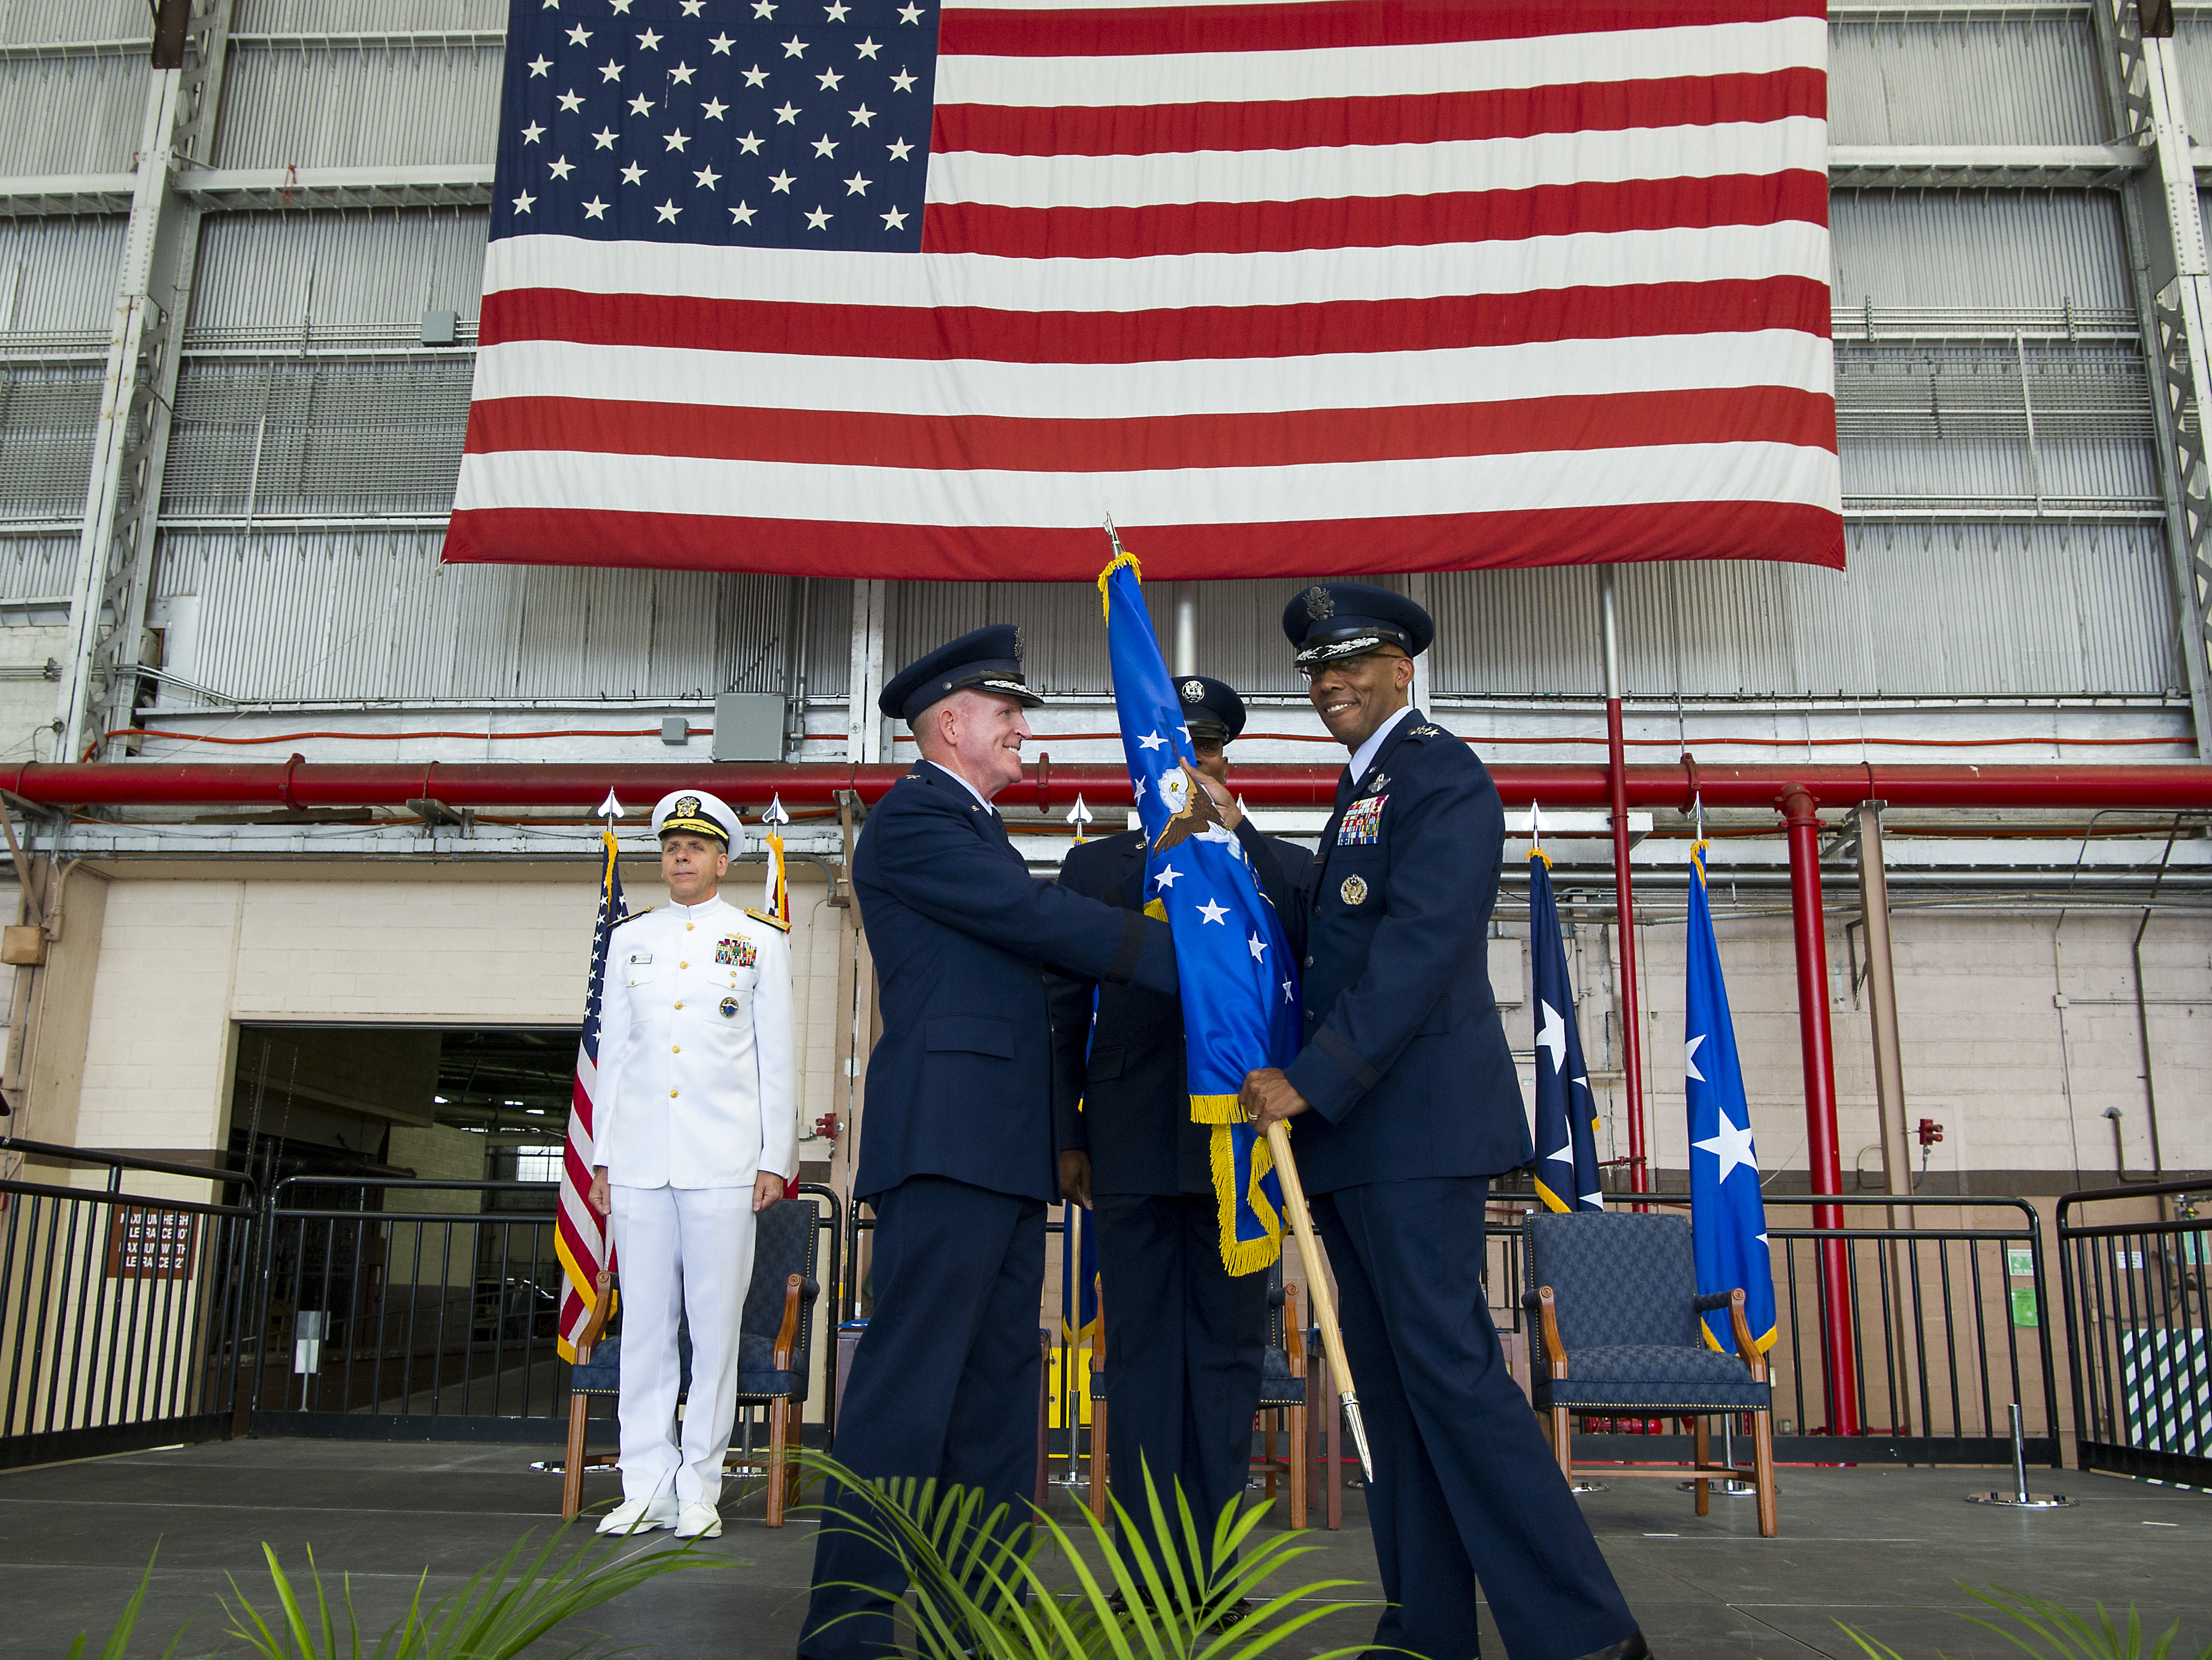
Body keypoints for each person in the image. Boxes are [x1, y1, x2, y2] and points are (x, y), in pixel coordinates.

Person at [1237, 584, 1648, 1660]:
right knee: (1394, 1391)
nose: (1330, 682)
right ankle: (1424, 1625)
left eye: (1350, 663)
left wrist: (1310, 1077)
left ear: (1401, 668)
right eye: (1316, 671)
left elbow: (1416, 947)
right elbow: (1337, 918)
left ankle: (1582, 1634)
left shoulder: (1441, 775)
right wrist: (1237, 831)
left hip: (1412, 1130)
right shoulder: (1367, 787)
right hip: (1361, 1142)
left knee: (1454, 1380)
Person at [801, 625, 1188, 1660]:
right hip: (948, 1141)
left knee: (996, 1398)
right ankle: (845, 1624)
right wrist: (1182, 957)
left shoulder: (967, 825)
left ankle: (979, 1610)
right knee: (908, 1384)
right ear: (949, 724)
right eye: (1006, 712)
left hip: (1002, 1146)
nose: (1021, 728)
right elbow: (1032, 919)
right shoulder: (915, 820)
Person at [1046, 675, 1312, 1592]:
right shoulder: (1097, 870)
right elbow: (1060, 1010)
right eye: (1168, 750)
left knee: (1229, 1362)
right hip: (1126, 1142)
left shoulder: (1277, 868)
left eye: (1199, 752)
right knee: (1143, 1363)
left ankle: (1211, 1573)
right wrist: (1064, 1134)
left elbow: (1303, 1007)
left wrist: (1233, 844)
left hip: (1242, 1157)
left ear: (1221, 763)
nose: (1185, 768)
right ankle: (1144, 1573)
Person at [586, 789, 798, 1541]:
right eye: (672, 847)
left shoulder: (756, 939)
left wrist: (776, 1158)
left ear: (724, 859)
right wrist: (603, 1157)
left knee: (713, 1332)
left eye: (697, 848)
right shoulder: (629, 940)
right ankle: (644, 1485)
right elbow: (613, 1056)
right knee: (644, 1328)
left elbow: (776, 1057)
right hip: (640, 1157)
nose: (681, 857)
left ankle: (700, 1485)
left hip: (723, 1161)